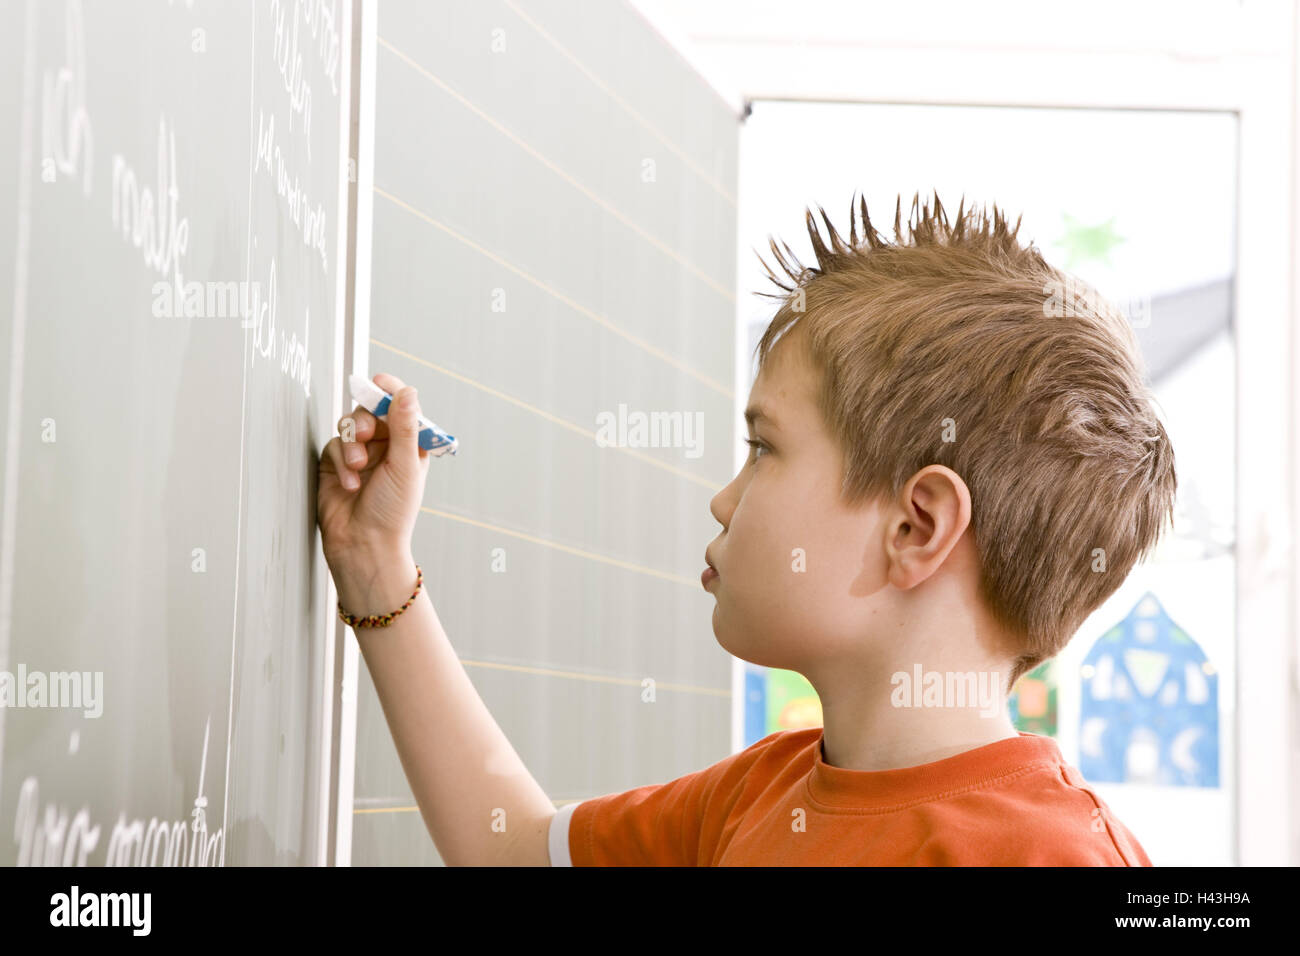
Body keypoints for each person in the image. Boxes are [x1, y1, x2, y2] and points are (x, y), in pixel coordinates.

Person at [318, 191, 1172, 866]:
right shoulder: (759, 796)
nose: (723, 500)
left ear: (916, 527)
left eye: (764, 448)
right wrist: (374, 565)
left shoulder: (1055, 858)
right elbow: (508, 847)